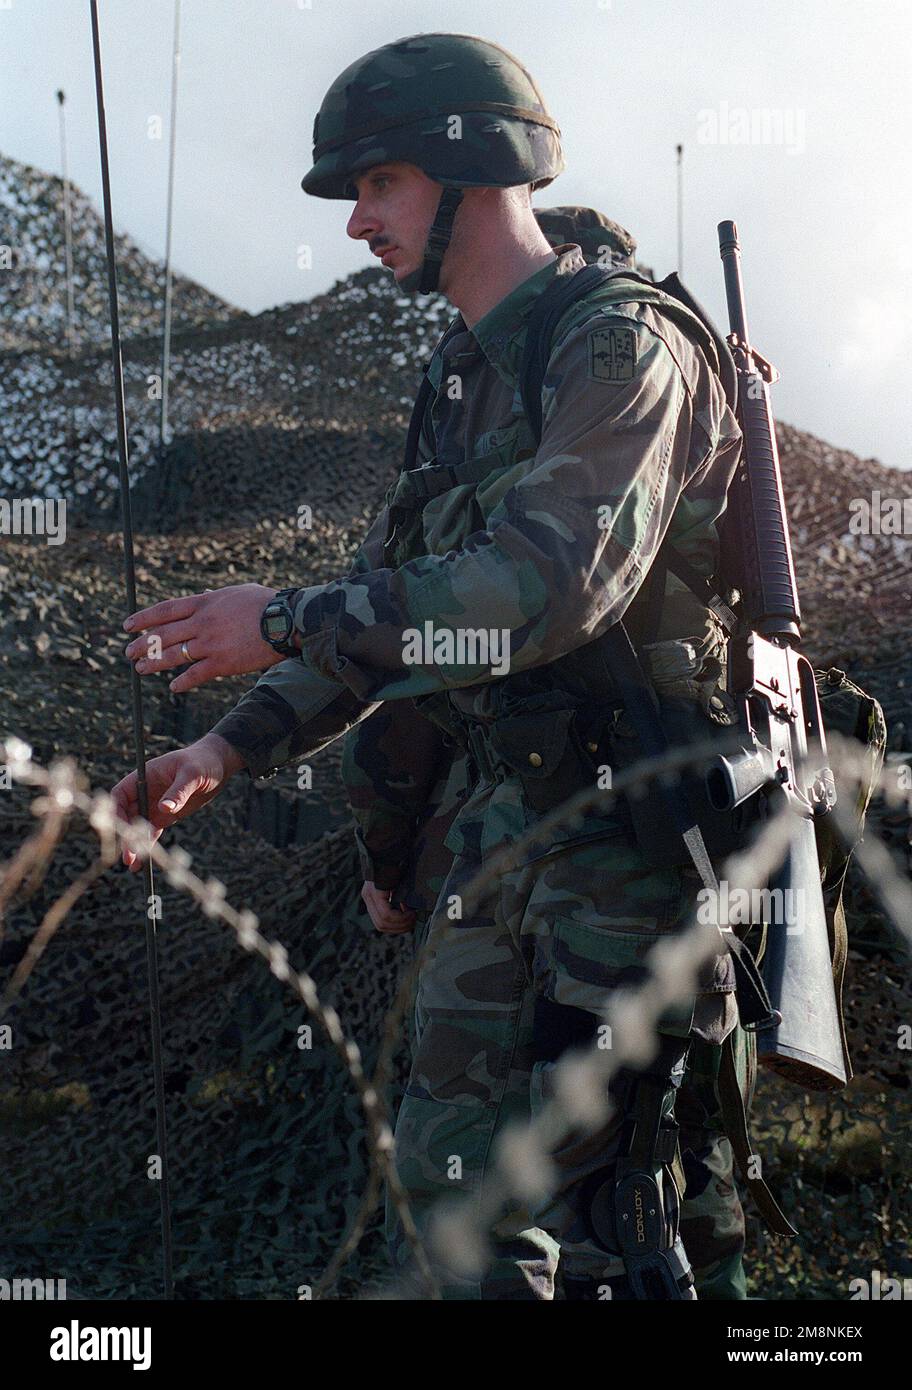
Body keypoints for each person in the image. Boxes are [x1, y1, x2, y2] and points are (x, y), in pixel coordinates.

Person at [112, 32, 752, 1299]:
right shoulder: (463, 379)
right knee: (460, 1222)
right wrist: (220, 749)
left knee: (623, 1230)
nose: (356, 223)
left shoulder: (619, 345)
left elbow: (544, 589)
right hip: (496, 853)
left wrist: (285, 614)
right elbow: (390, 606)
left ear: (476, 166)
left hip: (626, 868)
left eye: (379, 184)